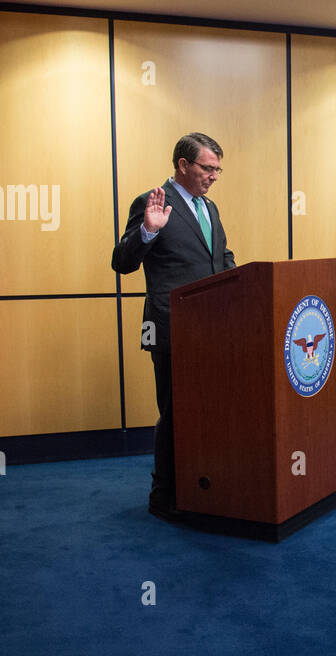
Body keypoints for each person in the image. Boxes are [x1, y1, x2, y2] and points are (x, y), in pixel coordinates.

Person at [111, 132, 235, 521]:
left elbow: (220, 259)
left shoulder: (208, 207)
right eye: (206, 168)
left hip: (211, 328)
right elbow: (122, 261)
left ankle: (199, 487)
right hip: (171, 327)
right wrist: (148, 231)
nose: (214, 175)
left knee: (206, 411)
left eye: (217, 169)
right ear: (183, 165)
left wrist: (245, 287)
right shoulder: (152, 203)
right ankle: (163, 498)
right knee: (176, 413)